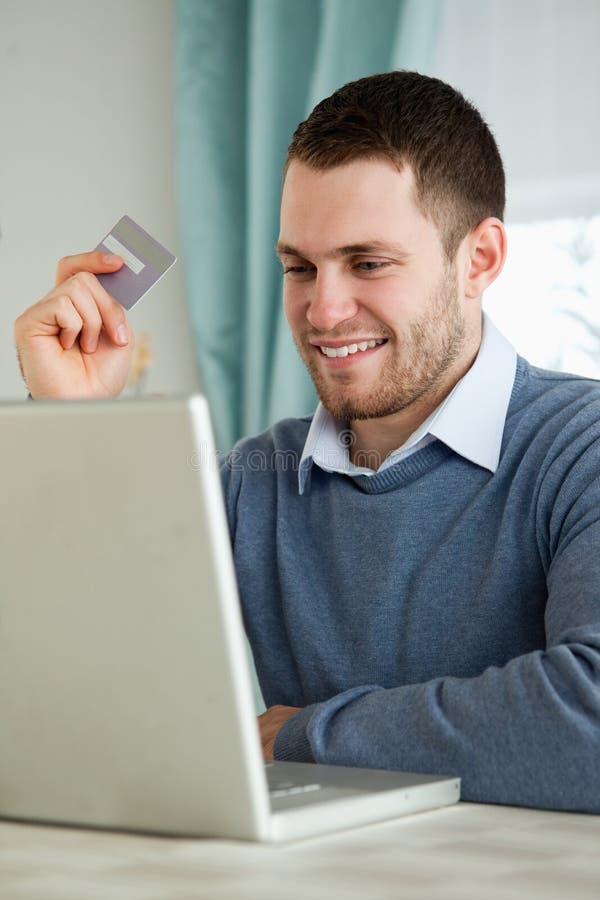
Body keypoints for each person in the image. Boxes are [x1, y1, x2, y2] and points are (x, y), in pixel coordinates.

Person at [14, 71, 600, 812]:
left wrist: (307, 736)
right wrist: (70, 427)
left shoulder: (581, 449)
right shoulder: (250, 483)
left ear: (478, 260)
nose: (323, 310)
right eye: (299, 267)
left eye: (368, 263)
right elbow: (65, 688)